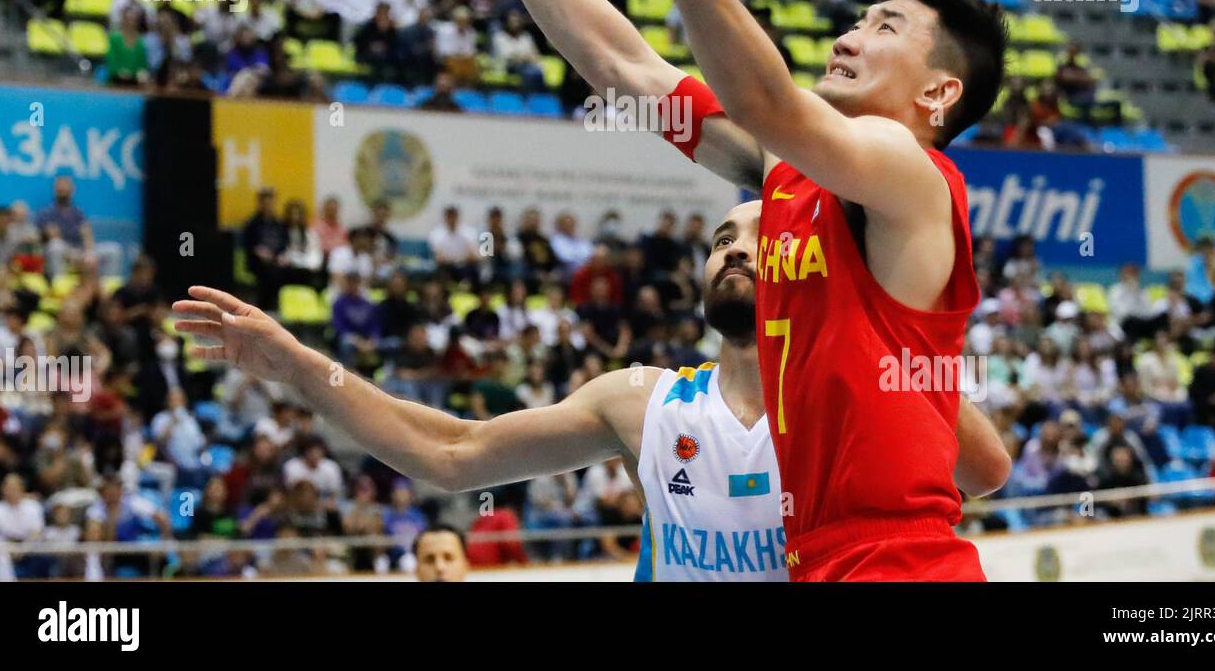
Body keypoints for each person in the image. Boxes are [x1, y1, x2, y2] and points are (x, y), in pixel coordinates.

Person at [402, 0, 1008, 581]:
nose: (850, 34)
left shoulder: (912, 171)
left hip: (897, 563)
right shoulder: (790, 174)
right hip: (816, 559)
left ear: (938, 94)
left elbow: (765, 100)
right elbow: (624, 67)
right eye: (858, 18)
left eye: (885, 27)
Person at [172, 200, 1010, 583]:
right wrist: (300, 368)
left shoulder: (864, 400)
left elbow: (985, 469)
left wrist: (865, 320)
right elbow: (452, 452)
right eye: (721, 238)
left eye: (765, 236)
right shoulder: (641, 401)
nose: (734, 249)